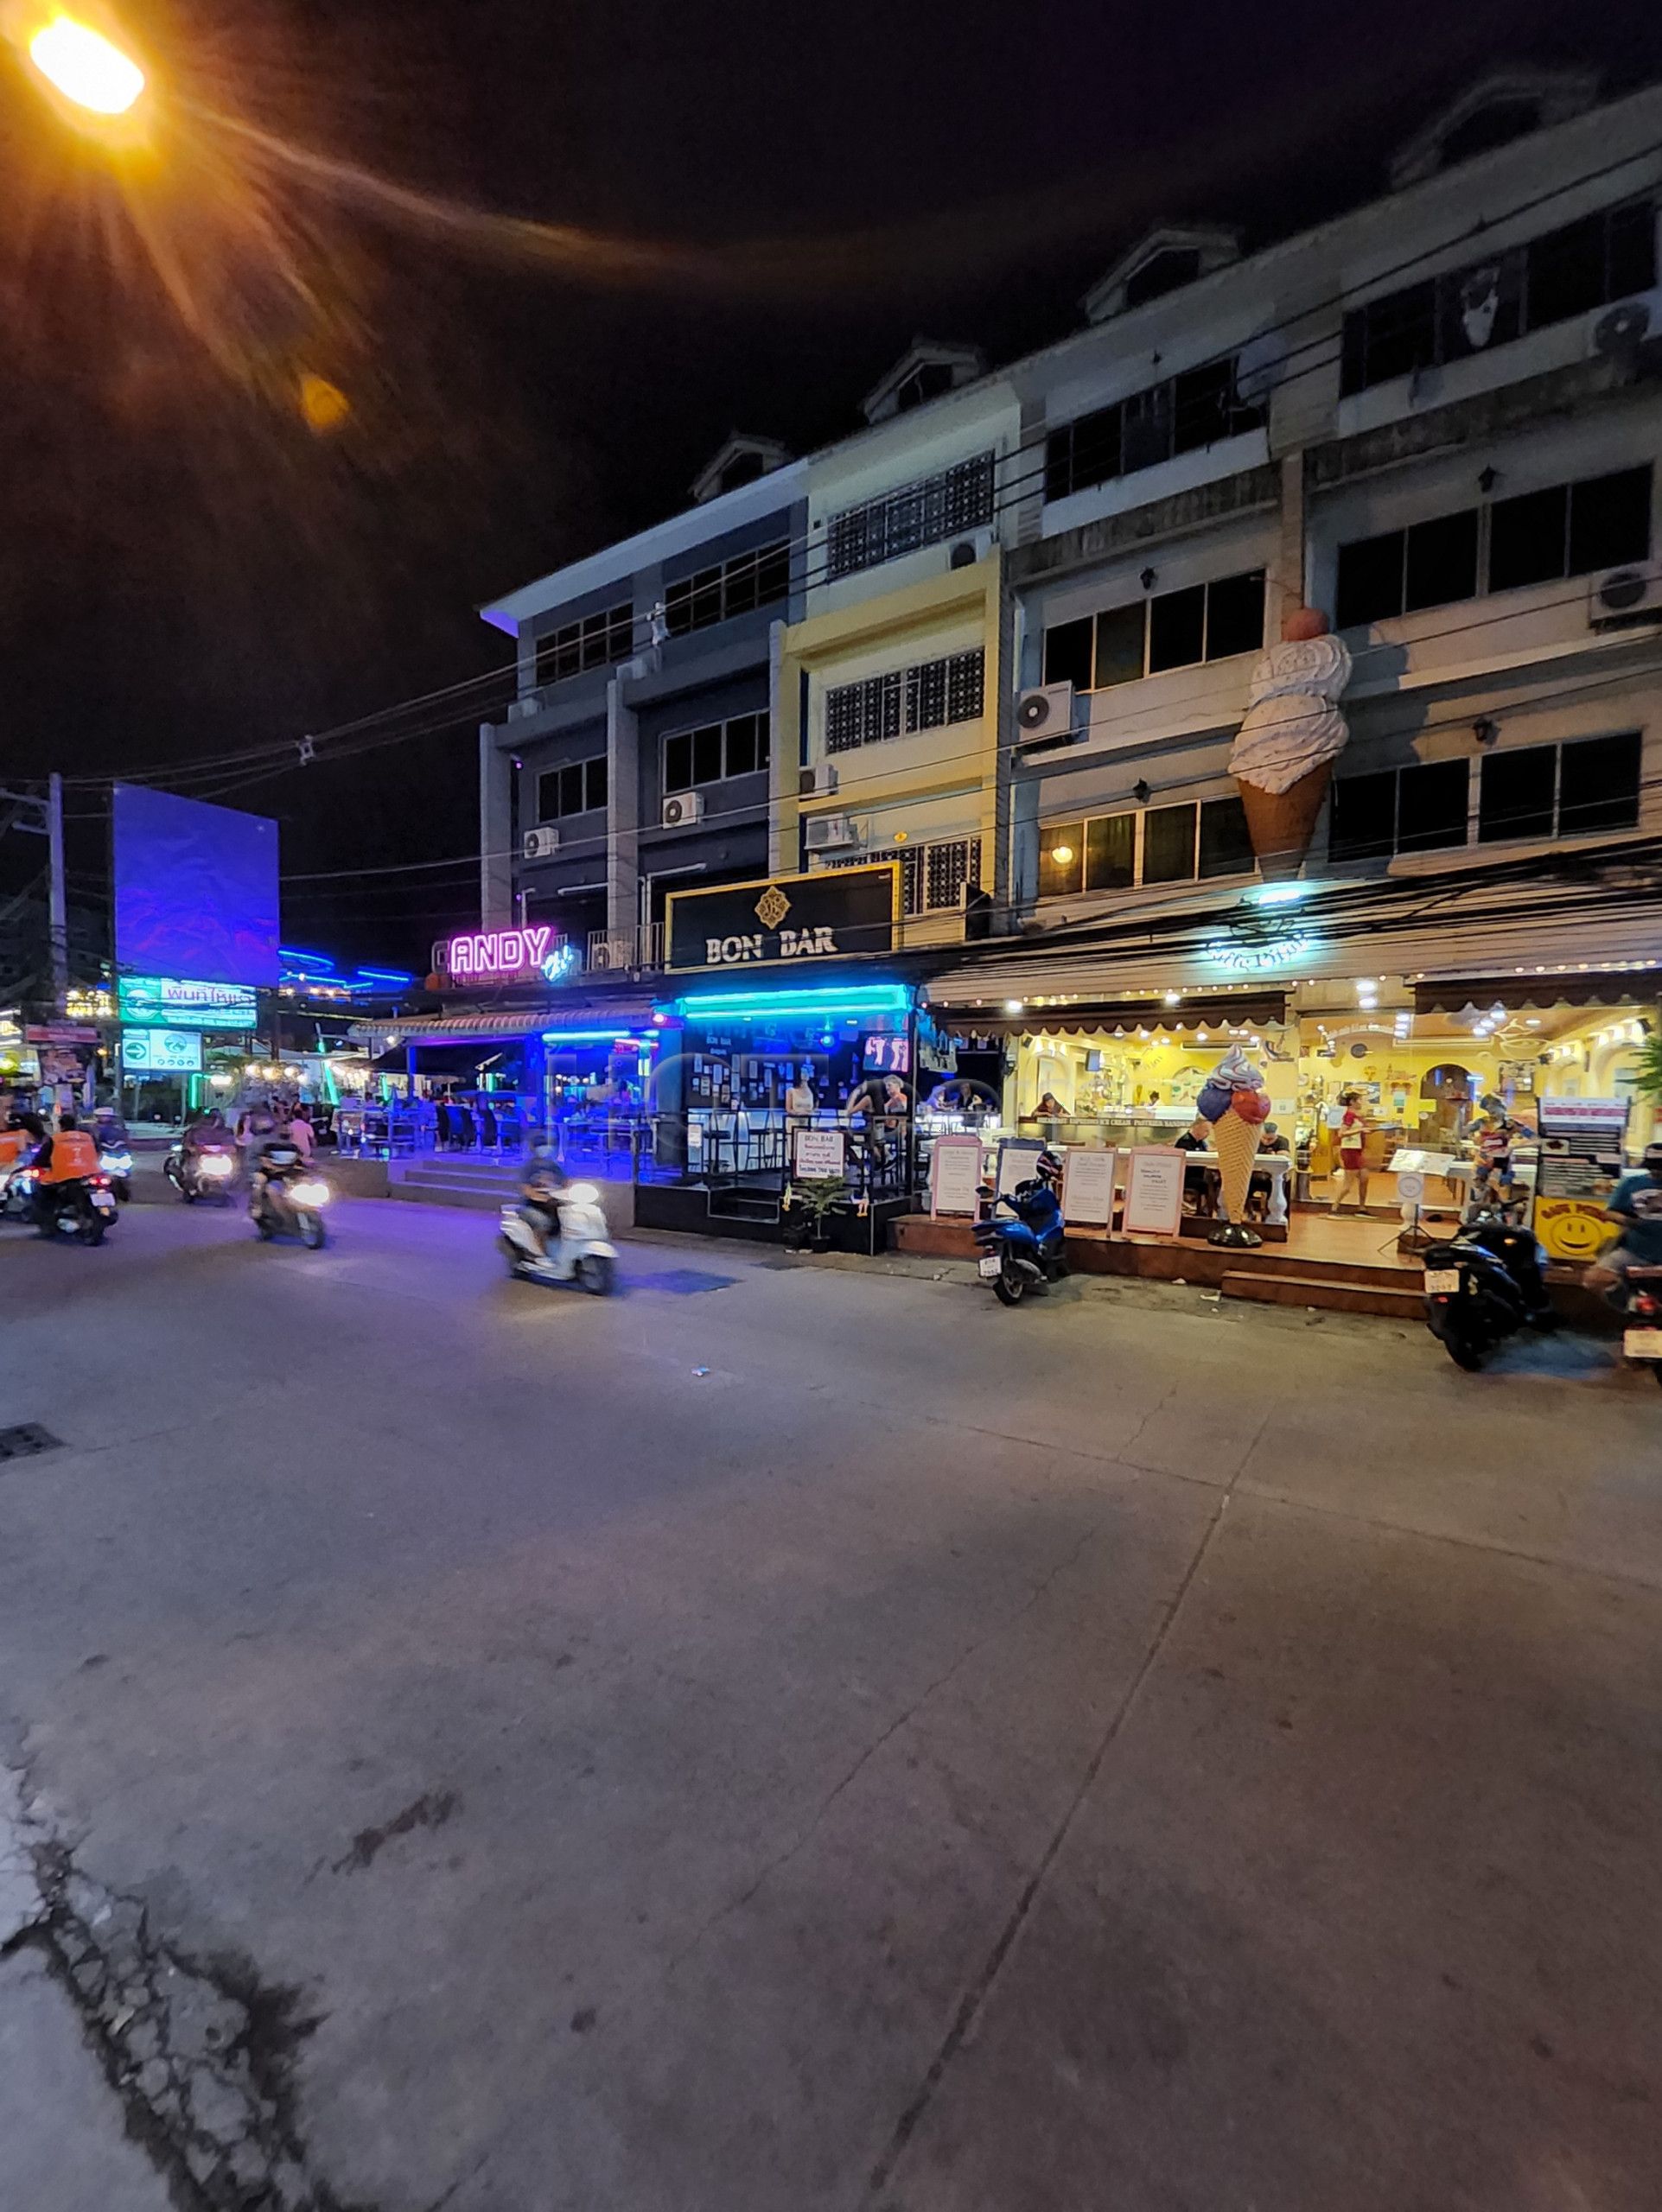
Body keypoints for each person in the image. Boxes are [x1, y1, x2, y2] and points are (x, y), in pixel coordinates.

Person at [1585, 1141, 1662, 1294]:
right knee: (1593, 1278)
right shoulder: (1632, 1184)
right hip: (1635, 1252)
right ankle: (1630, 1302)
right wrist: (1629, 1221)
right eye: (1652, 1166)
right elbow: (1612, 1212)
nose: (1656, 1171)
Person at [1329, 1090, 1369, 1214]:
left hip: (1358, 1150)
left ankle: (1362, 1207)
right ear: (1352, 1102)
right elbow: (1342, 1133)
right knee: (1348, 1184)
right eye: (1359, 1100)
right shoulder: (1349, 1116)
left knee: (1364, 1178)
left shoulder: (1357, 1116)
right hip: (1350, 1151)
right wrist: (1360, 1130)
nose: (1361, 1102)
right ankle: (1335, 1206)